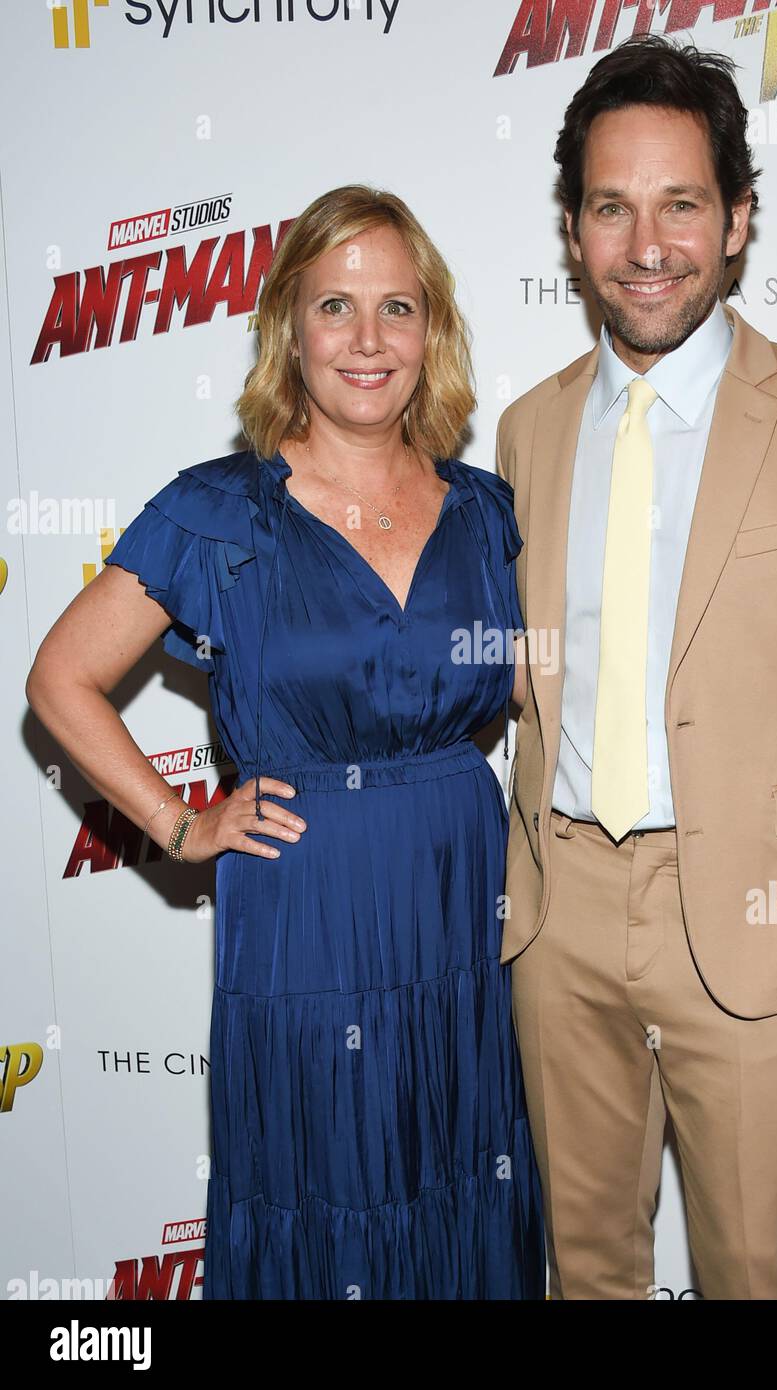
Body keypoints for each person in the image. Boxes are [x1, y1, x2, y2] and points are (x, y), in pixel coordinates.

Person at [26, 185, 545, 1300]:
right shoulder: (219, 513)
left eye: (396, 307)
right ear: (287, 330)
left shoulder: (485, 510)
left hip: (460, 897)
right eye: (335, 307)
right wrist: (176, 822)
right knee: (329, 1177)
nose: (367, 340)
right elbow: (59, 678)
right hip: (307, 908)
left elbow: (528, 689)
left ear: (432, 331)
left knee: (460, 1167)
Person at [495, 36, 777, 1299]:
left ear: (737, 219)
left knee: (752, 1272)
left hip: (768, 929)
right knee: (583, 1270)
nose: (647, 244)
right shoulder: (527, 429)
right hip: (560, 913)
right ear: (573, 228)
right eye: (611, 207)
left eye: (681, 203)